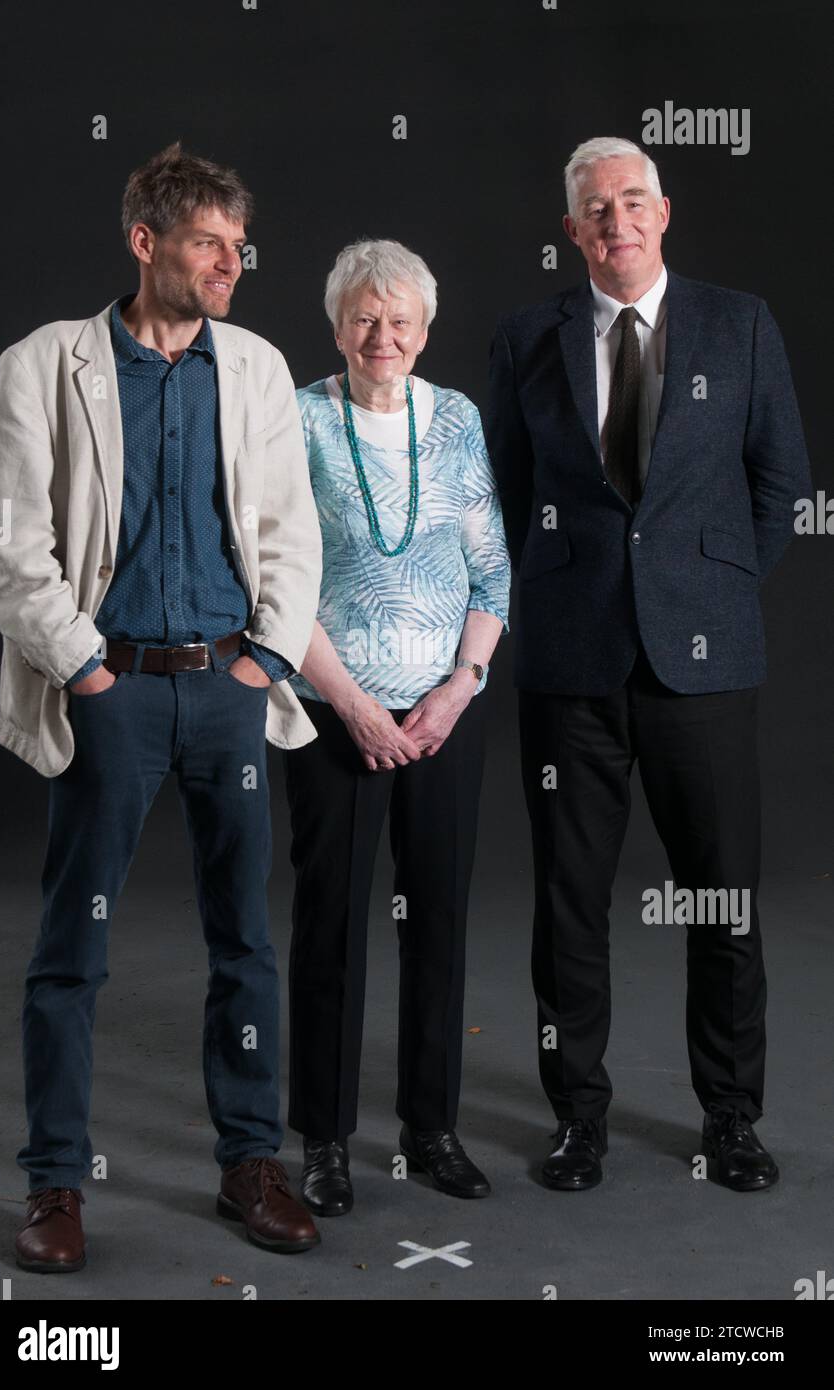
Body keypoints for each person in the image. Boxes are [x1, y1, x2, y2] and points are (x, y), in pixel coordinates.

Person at [0, 141, 324, 1269]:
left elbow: (289, 536)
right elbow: (12, 549)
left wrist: (264, 663)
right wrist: (85, 670)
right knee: (70, 947)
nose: (232, 264)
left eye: (238, 245)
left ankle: (249, 1162)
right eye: (208, 244)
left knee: (245, 941)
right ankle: (55, 1187)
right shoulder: (42, 366)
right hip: (108, 695)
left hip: (227, 694)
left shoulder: (259, 369)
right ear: (145, 242)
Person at [485, 136, 811, 1194]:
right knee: (569, 904)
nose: (614, 220)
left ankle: (728, 1121)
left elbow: (778, 485)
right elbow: (500, 491)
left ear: (661, 214)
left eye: (632, 201)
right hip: (568, 665)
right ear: (572, 231)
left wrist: (706, 588)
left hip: (700, 667)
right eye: (594, 208)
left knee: (721, 905)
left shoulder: (739, 323)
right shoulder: (524, 338)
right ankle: (577, 1117)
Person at [281, 239, 511, 1215]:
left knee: (440, 924)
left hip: (441, 719)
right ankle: (325, 1140)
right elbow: (273, 585)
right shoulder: (294, 418)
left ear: (424, 329)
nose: (383, 336)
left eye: (400, 320)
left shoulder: (454, 417)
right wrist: (357, 707)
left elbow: (492, 570)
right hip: (335, 712)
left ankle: (432, 1128)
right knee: (328, 926)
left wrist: (458, 687)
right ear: (337, 326)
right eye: (363, 318)